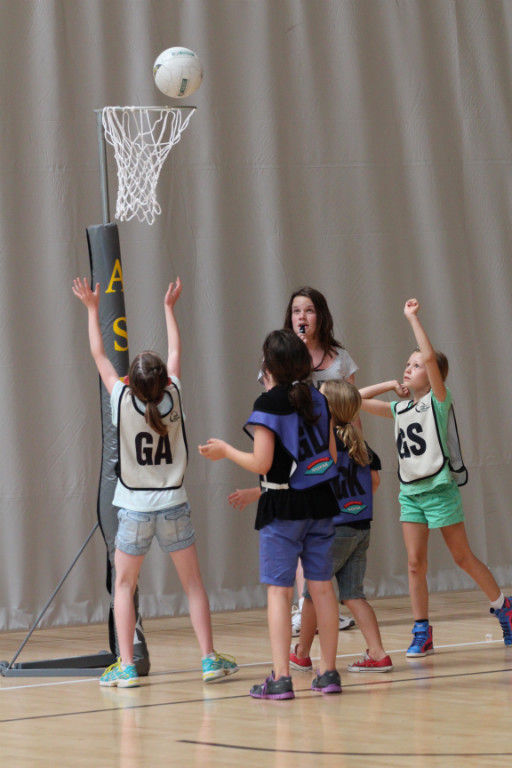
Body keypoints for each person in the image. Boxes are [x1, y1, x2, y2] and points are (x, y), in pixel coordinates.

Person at [72, 276, 239, 688]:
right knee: (194, 585)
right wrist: (170, 307)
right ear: (164, 380)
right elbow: (177, 351)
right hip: (173, 504)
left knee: (124, 587)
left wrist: (93, 309)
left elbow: (98, 354)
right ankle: (208, 660)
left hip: (134, 508)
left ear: (132, 381)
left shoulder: (119, 398)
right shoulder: (175, 395)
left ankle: (126, 665)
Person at [359, 297, 512, 657]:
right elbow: (353, 399)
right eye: (407, 364)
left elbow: (430, 359)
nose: (410, 368)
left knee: (462, 557)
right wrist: (386, 383)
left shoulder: (437, 401)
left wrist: (412, 318)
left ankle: (503, 606)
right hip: (410, 493)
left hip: (439, 489)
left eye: (416, 364)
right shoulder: (401, 408)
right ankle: (422, 631)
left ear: (434, 376)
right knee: (414, 563)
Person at [199, 329, 342, 699]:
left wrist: (226, 450)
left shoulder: (268, 403)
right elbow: (330, 455)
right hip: (321, 502)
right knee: (323, 589)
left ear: (270, 364)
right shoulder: (318, 398)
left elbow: (261, 462)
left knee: (279, 594)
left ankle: (280, 678)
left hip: (283, 507)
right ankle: (328, 674)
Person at [290, 379, 393, 673]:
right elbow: (374, 481)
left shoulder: (322, 441)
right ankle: (378, 652)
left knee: (311, 592)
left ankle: (301, 652)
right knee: (353, 594)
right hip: (361, 527)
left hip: (333, 529)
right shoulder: (359, 440)